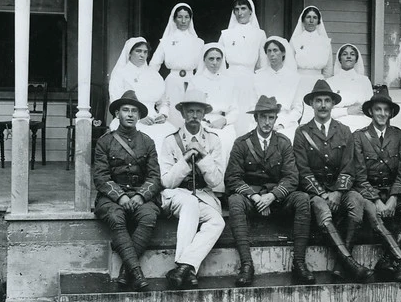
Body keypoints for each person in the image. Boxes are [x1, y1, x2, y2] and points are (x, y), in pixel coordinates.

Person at [225, 95, 315, 287]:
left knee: (302, 198)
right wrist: (256, 196)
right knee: (234, 201)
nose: (267, 122)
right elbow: (232, 178)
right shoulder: (242, 143)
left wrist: (272, 196)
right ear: (256, 118)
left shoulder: (283, 143)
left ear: (276, 119)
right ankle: (247, 265)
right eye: (263, 117)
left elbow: (292, 177)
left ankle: (299, 262)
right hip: (253, 199)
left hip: (277, 199)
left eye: (271, 118)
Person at [293, 79, 373, 283]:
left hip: (341, 191)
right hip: (315, 194)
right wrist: (322, 193)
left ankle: (341, 264)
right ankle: (350, 263)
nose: (322, 105)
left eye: (326, 100)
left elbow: (349, 165)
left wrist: (338, 192)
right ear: (311, 104)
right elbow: (303, 169)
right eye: (318, 100)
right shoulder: (302, 133)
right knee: (322, 208)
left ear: (333, 104)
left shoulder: (344, 130)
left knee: (356, 201)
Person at [93, 90, 162, 291]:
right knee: (116, 217)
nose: (130, 114)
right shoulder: (105, 142)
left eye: (134, 111)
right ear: (117, 114)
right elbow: (101, 177)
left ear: (139, 116)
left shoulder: (147, 141)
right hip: (112, 196)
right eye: (125, 110)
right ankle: (137, 273)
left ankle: (126, 271)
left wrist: (141, 195)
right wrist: (120, 196)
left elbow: (154, 176)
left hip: (141, 194)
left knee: (149, 216)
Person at [158, 89, 226, 289]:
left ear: (204, 114)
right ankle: (187, 268)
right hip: (177, 195)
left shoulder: (213, 141)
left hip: (204, 195)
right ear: (182, 114)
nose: (194, 116)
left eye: (198, 111)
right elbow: (167, 182)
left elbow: (215, 181)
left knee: (217, 222)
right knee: (189, 203)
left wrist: (203, 157)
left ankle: (184, 267)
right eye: (190, 111)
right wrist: (185, 160)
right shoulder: (171, 141)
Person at [353, 85, 401, 282]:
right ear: (371, 112)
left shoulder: (399, 136)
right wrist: (376, 200)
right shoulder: (359, 136)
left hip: (392, 194)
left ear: (391, 113)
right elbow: (359, 175)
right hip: (369, 195)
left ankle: (387, 257)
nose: (382, 114)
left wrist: (393, 198)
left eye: (385, 110)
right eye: (377, 109)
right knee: (373, 213)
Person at [188, 42, 239, 192]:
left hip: (223, 123)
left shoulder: (229, 81)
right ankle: (208, 187)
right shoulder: (196, 81)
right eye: (211, 59)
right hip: (201, 122)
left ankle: (225, 189)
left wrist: (225, 120)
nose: (215, 63)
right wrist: (203, 121)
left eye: (218, 59)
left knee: (228, 139)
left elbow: (235, 109)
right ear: (204, 60)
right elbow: (190, 107)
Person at [109, 37, 177, 148]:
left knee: (170, 135)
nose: (142, 55)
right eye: (138, 51)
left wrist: (163, 114)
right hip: (129, 119)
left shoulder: (154, 75)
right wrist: (139, 117)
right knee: (149, 137)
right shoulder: (120, 74)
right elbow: (117, 102)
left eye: (145, 52)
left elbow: (163, 101)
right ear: (129, 53)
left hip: (153, 119)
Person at [149, 3, 205, 128]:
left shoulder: (198, 42)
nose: (183, 21)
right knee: (172, 115)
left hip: (192, 81)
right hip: (172, 82)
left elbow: (202, 67)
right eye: (180, 17)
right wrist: (154, 84)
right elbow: (154, 65)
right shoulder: (166, 41)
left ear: (191, 19)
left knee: (191, 114)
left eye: (186, 17)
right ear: (174, 19)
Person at [218, 0, 267, 136]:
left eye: (243, 8)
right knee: (230, 115)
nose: (240, 13)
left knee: (247, 116)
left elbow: (263, 64)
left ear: (251, 11)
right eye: (237, 9)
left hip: (250, 80)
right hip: (230, 79)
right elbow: (218, 58)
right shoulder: (226, 34)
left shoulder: (259, 34)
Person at [253, 36, 303, 142]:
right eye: (269, 51)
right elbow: (252, 104)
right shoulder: (258, 76)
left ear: (283, 53)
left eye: (275, 50)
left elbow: (297, 109)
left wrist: (282, 124)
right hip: (262, 121)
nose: (272, 54)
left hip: (286, 122)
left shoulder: (294, 78)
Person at [290, 6, 334, 124]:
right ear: (303, 20)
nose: (311, 20)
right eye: (308, 17)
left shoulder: (325, 42)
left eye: (314, 18)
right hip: (299, 81)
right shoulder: (295, 41)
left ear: (318, 21)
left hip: (318, 82)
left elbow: (328, 69)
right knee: (300, 112)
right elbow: (290, 65)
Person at [327, 43, 374, 132]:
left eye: (352, 54)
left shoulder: (364, 81)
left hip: (362, 124)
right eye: (345, 54)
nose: (348, 57)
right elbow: (326, 111)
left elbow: (370, 108)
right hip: (337, 125)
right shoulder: (330, 82)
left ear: (356, 59)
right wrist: (347, 111)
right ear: (339, 59)